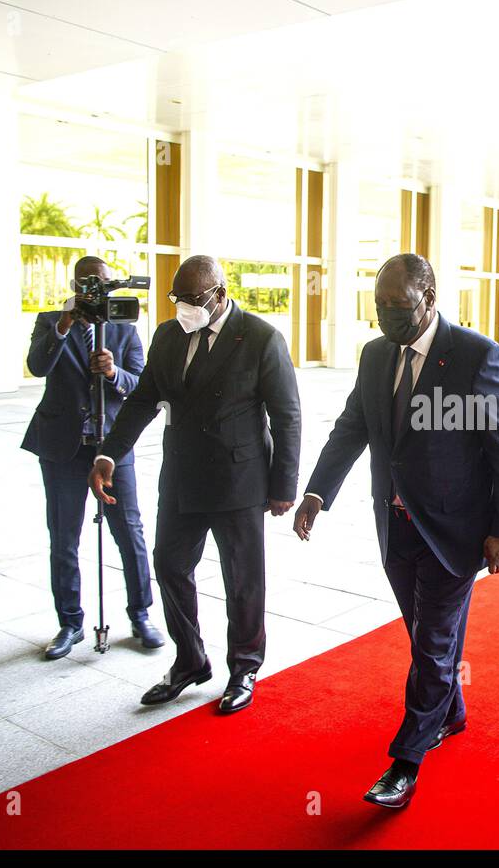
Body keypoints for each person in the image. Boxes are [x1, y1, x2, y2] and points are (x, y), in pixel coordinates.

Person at [293, 253, 499, 808]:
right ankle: (453, 713)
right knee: (425, 634)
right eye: (378, 306)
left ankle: (405, 761)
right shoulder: (376, 355)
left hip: (456, 529)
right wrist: (316, 492)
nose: (386, 316)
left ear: (429, 298)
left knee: (432, 643)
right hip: (395, 525)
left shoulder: (475, 355)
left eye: (397, 306)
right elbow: (353, 426)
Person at [88, 255, 301, 713]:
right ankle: (190, 659)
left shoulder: (261, 337)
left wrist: (284, 484)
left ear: (220, 293)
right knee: (168, 565)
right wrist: (109, 452)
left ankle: (243, 667)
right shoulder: (167, 335)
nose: (184, 307)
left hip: (238, 480)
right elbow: (144, 399)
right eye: (177, 298)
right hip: (182, 475)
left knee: (242, 580)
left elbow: (287, 416)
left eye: (193, 299)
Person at [23, 256, 161, 658]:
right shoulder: (51, 320)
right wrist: (64, 325)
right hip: (62, 448)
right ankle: (70, 623)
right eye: (86, 283)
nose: (93, 290)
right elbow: (37, 366)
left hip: (112, 448)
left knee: (129, 530)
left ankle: (141, 615)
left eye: (100, 282)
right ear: (74, 284)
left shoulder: (123, 328)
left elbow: (141, 386)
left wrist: (115, 373)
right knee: (64, 536)